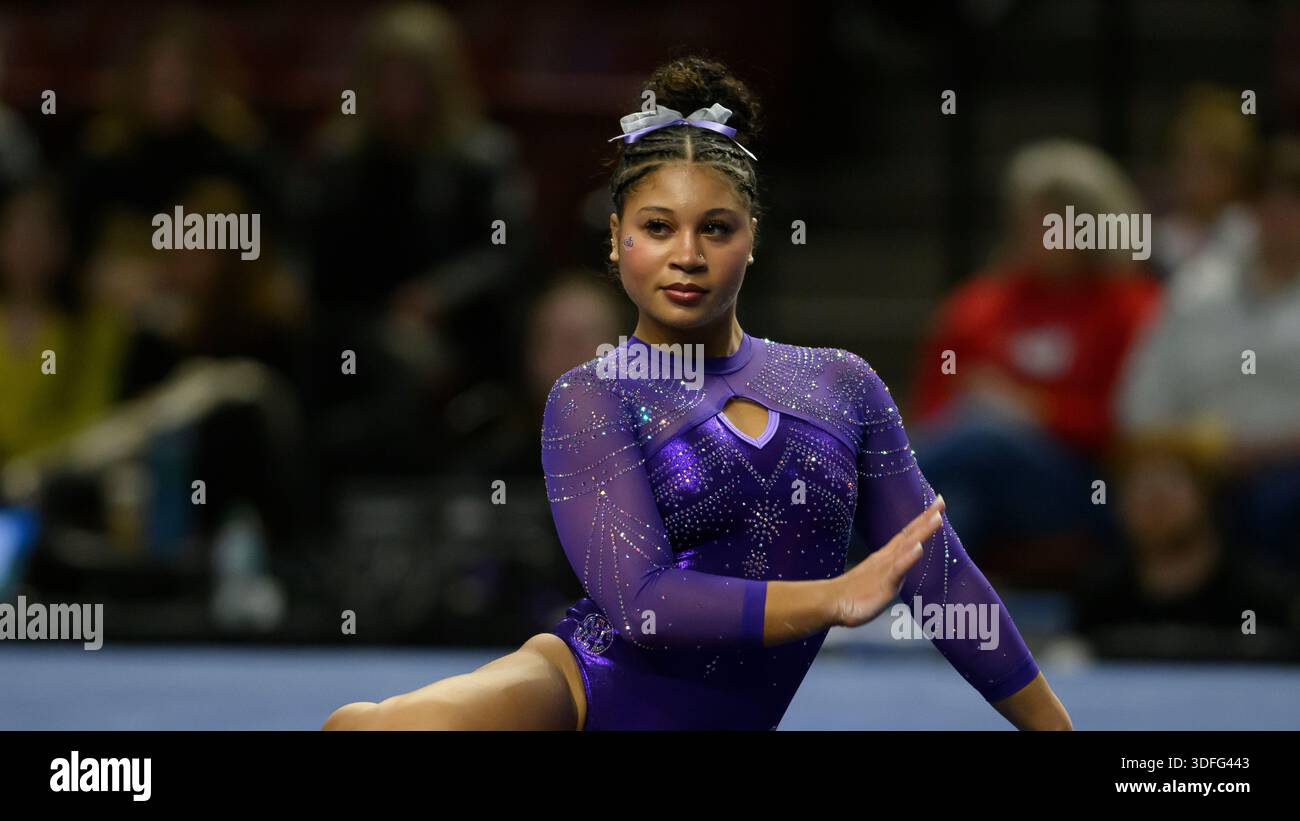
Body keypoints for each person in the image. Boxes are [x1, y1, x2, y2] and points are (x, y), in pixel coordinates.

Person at [323, 57, 1071, 731]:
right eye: (659, 226)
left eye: (715, 228)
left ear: (754, 234)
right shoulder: (594, 395)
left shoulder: (843, 385)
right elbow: (643, 604)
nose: (687, 255)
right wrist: (831, 597)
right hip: (583, 698)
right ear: (618, 241)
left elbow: (942, 580)